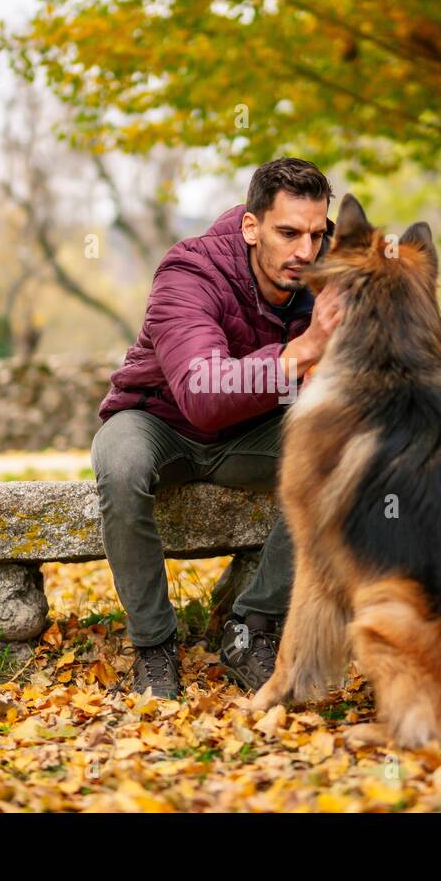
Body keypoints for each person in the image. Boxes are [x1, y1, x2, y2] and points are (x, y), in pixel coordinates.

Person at [90, 156, 345, 697]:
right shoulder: (189, 272)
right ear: (252, 227)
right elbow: (203, 396)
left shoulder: (327, 278)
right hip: (158, 420)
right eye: (288, 233)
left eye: (316, 235)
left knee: (344, 462)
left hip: (252, 433)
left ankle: (251, 629)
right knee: (119, 466)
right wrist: (302, 353)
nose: (305, 251)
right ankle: (155, 648)